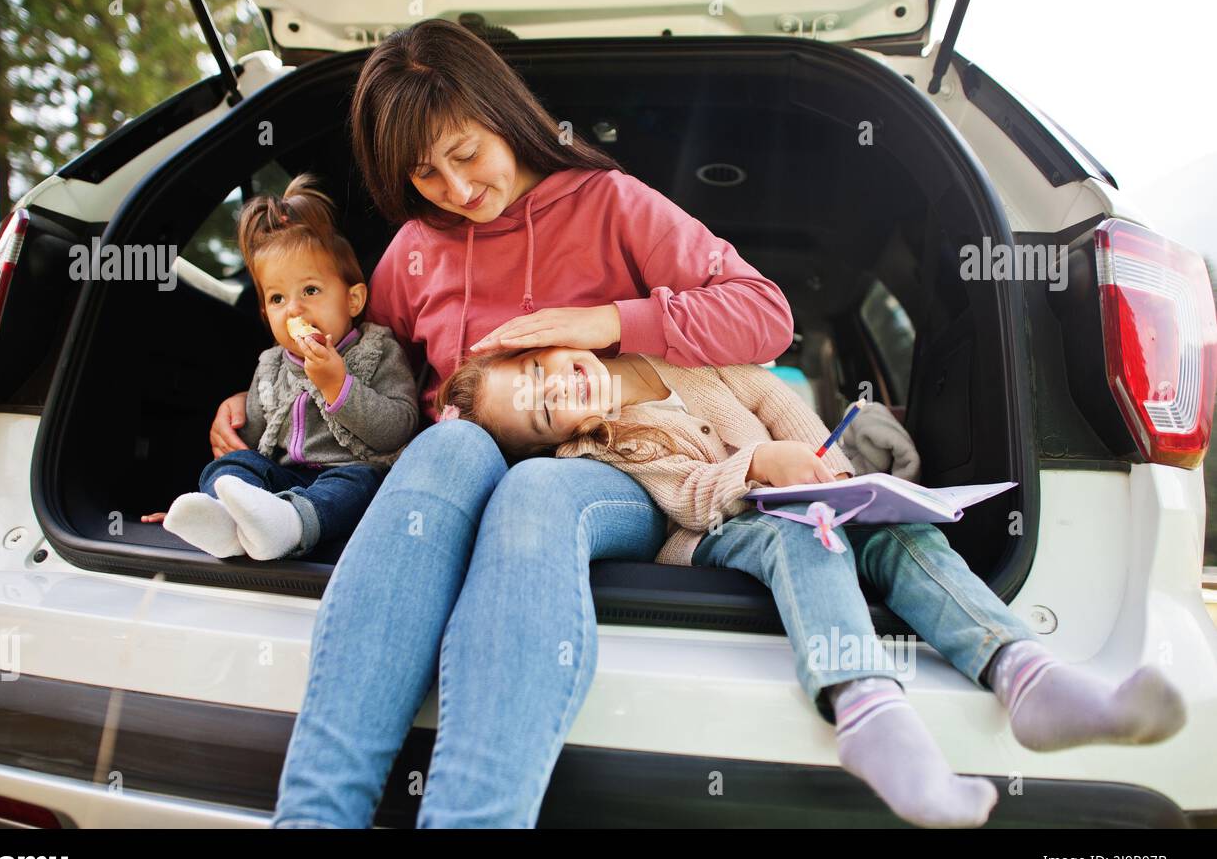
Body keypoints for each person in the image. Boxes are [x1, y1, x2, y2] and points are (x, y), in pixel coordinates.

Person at [207, 18, 798, 827]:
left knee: (537, 492)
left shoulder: (609, 204)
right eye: (424, 172)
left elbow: (764, 315)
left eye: (466, 153)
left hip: (613, 468)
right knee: (449, 441)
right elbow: (352, 355)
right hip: (459, 474)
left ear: (505, 115)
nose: (454, 187)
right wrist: (267, 396)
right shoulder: (415, 251)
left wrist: (607, 323)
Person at [434, 345, 1190, 827]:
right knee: (809, 532)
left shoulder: (681, 361)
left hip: (800, 493)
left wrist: (828, 467)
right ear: (553, 442)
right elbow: (690, 495)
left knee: (904, 535)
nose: (558, 391)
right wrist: (759, 469)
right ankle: (868, 714)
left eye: (541, 370)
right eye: (541, 413)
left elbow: (770, 399)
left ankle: (1029, 677)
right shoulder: (604, 445)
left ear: (558, 340)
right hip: (717, 531)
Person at [145, 174, 417, 560]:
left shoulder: (376, 348)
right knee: (234, 464)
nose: (294, 308)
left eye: (310, 291)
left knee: (358, 484)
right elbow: (258, 440)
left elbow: (397, 427)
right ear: (265, 314)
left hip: (346, 475)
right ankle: (223, 519)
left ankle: (290, 525)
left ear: (353, 300)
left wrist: (338, 386)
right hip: (283, 479)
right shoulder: (272, 364)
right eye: (277, 298)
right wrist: (244, 408)